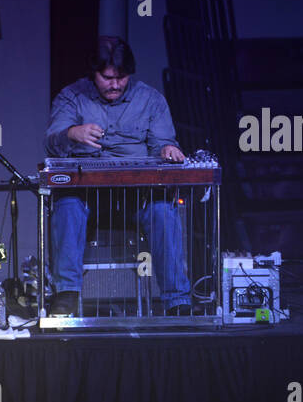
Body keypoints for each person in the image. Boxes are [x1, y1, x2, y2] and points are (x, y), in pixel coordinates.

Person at [43, 36, 192, 316]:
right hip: (88, 198)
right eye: (107, 77)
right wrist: (72, 133)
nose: (114, 84)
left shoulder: (151, 100)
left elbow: (162, 143)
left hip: (137, 198)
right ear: (93, 73)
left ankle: (177, 301)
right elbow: (51, 142)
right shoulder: (71, 97)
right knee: (67, 207)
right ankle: (66, 295)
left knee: (164, 211)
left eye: (121, 78)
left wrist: (169, 149)